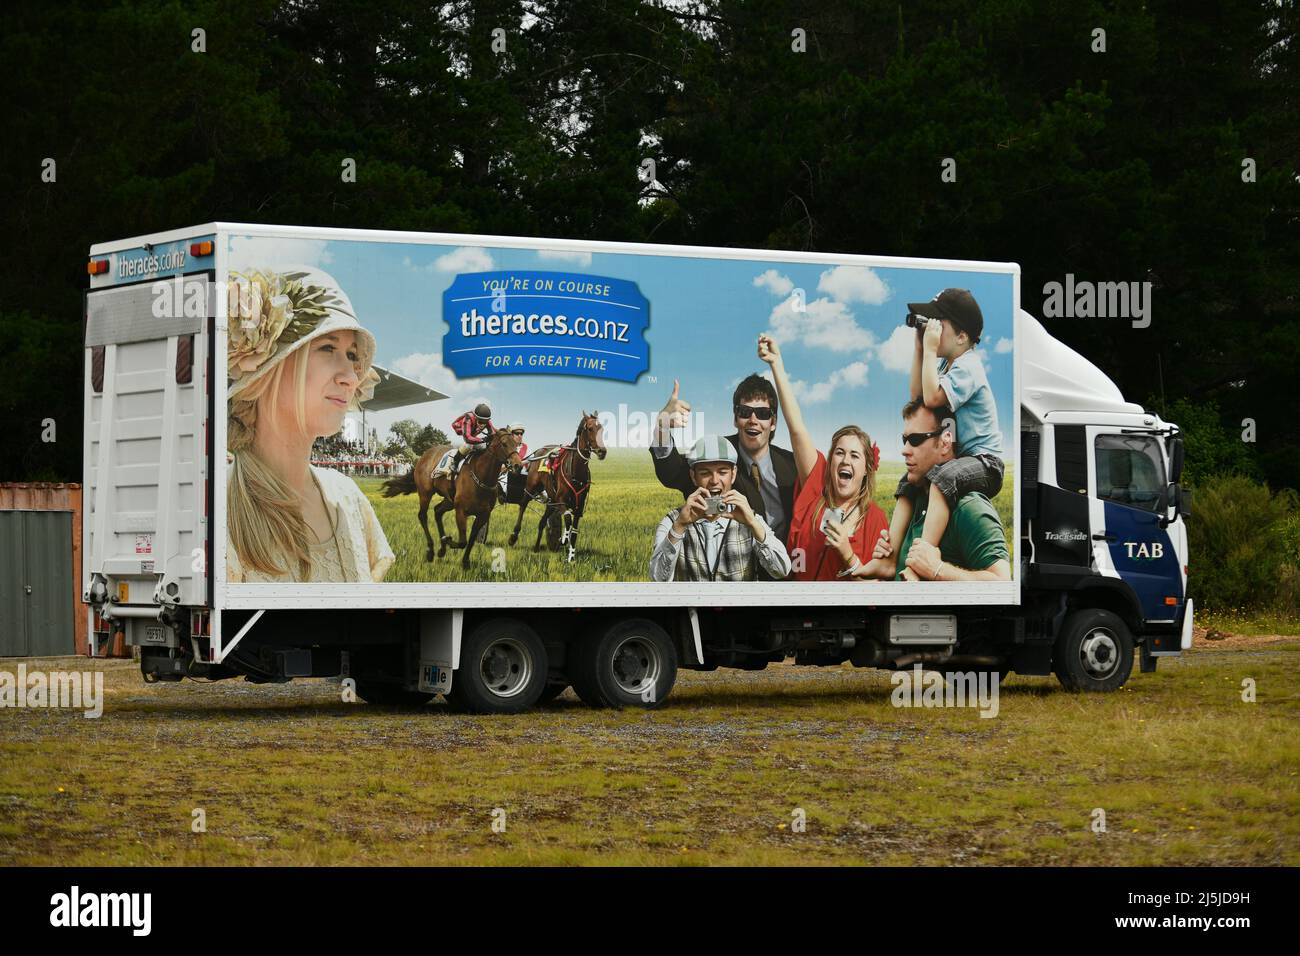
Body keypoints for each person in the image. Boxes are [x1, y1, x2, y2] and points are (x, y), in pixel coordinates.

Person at [226, 265, 393, 583]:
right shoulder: (221, 511)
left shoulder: (348, 497)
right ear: (269, 367)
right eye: (327, 348)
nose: (351, 377)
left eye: (351, 354)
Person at [886, 288, 1005, 571]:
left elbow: (932, 398)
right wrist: (919, 348)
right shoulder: (946, 364)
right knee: (908, 482)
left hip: (986, 463)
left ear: (962, 337)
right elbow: (918, 397)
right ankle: (888, 560)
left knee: (941, 477)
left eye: (940, 323)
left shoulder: (969, 367)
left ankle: (921, 559)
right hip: (966, 461)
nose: (933, 328)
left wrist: (928, 350)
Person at [757, 334, 890, 580]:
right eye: (839, 453)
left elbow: (874, 590)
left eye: (854, 455)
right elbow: (796, 427)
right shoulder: (816, 487)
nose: (845, 460)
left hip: (845, 615)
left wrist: (847, 553)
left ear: (867, 469)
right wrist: (777, 364)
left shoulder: (875, 519)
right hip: (796, 610)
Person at [873, 399, 1011, 582]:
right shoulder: (911, 501)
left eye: (915, 439)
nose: (904, 450)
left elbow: (1001, 582)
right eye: (904, 439)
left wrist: (937, 570)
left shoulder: (969, 508)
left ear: (946, 442)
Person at [651, 374, 798, 545]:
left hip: (785, 566)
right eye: (745, 412)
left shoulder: (792, 465)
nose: (753, 420)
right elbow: (672, 472)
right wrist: (662, 426)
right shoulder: (717, 452)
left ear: (773, 422)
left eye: (762, 414)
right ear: (735, 418)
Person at [650, 435, 792, 582]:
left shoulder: (749, 518)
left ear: (733, 475)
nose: (714, 481)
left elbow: (781, 570)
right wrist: (679, 526)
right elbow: (658, 580)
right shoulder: (673, 521)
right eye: (705, 473)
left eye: (723, 472)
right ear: (693, 476)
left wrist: (753, 523)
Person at [433, 402, 495, 478]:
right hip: (459, 434)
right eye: (480, 421)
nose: (482, 424)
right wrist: (483, 439)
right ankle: (455, 463)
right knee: (468, 446)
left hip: (471, 436)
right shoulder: (468, 418)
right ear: (475, 417)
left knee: (485, 446)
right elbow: (468, 438)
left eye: (484, 422)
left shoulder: (486, 420)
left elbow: (493, 433)